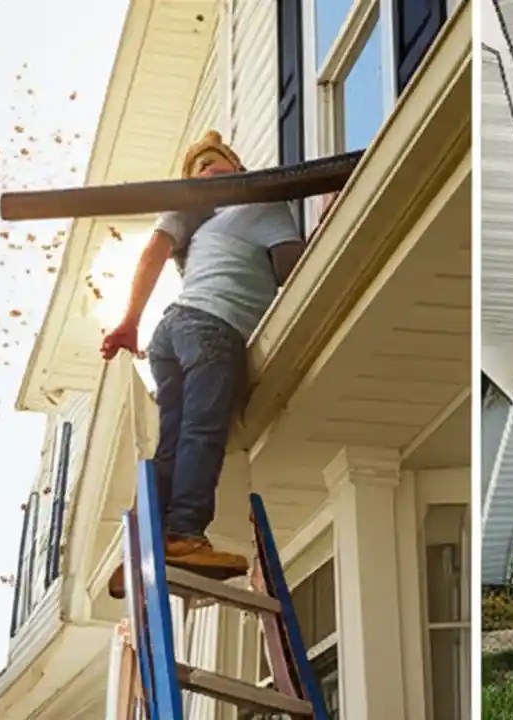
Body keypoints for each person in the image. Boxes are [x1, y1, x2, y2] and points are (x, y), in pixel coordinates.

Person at [99, 130, 317, 599]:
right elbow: (294, 270)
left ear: (237, 169)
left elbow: (157, 252)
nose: (206, 172)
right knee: (202, 428)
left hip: (172, 332)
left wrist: (134, 322)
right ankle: (185, 534)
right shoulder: (256, 206)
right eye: (199, 169)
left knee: (173, 440)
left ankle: (144, 544)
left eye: (215, 163)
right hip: (210, 329)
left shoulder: (202, 227)